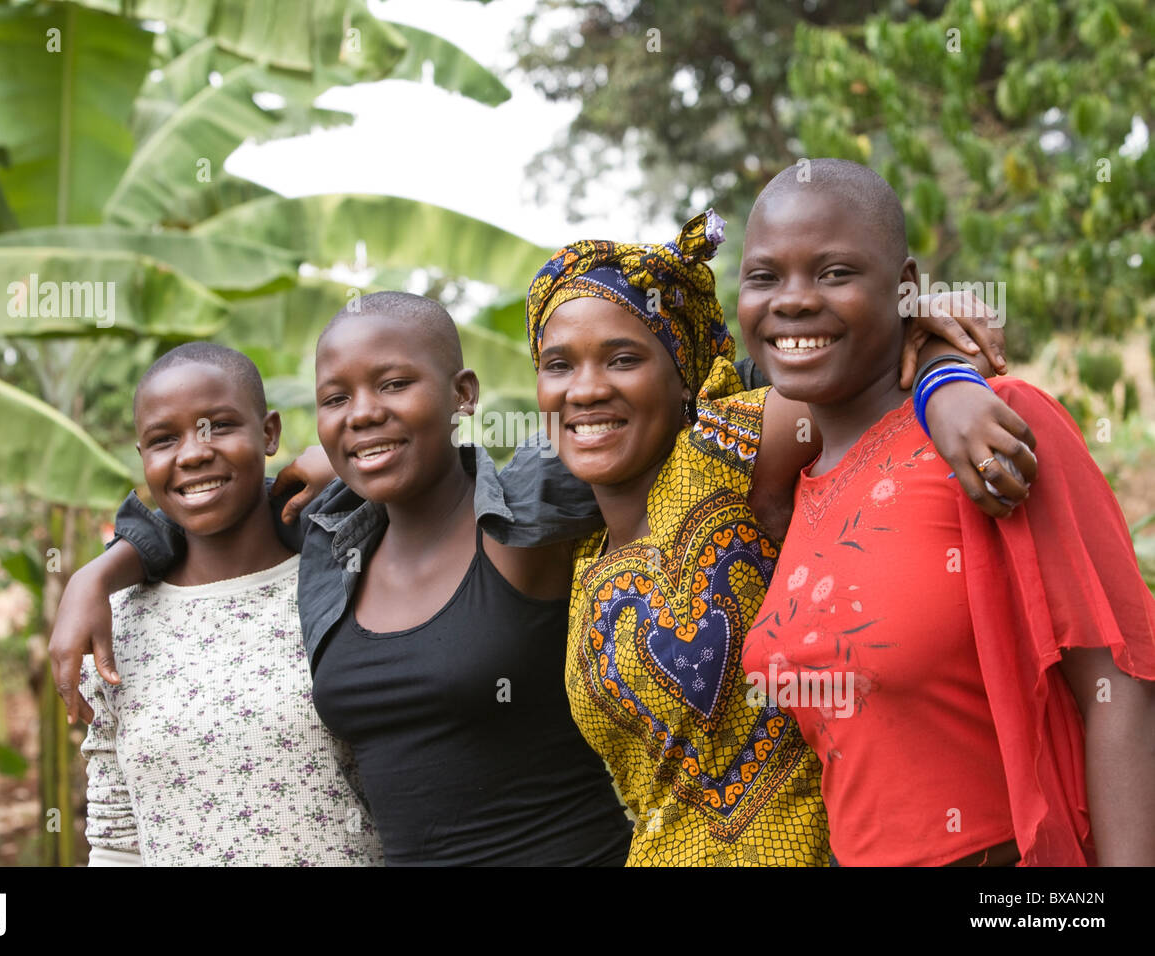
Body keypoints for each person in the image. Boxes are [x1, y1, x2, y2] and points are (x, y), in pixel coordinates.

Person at [523, 209, 1037, 865]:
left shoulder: (722, 447)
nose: (586, 389)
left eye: (623, 359)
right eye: (558, 365)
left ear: (685, 377)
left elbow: (869, 363)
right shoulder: (576, 555)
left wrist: (943, 371)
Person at [57, 295, 634, 866]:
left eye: (393, 384)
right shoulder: (334, 552)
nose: (361, 412)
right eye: (337, 399)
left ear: (463, 393)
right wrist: (100, 571)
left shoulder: (522, 520)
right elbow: (214, 510)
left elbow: (609, 428)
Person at [737, 159, 1155, 866]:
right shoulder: (790, 480)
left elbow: (1122, 686)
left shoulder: (995, 427)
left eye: (835, 272)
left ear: (906, 288)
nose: (794, 300)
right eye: (764, 276)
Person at [79, 342, 383, 866]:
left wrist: (348, 475)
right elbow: (115, 838)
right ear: (143, 457)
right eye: (163, 439)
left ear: (269, 433)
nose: (193, 453)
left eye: (218, 425)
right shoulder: (116, 620)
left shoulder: (347, 583)